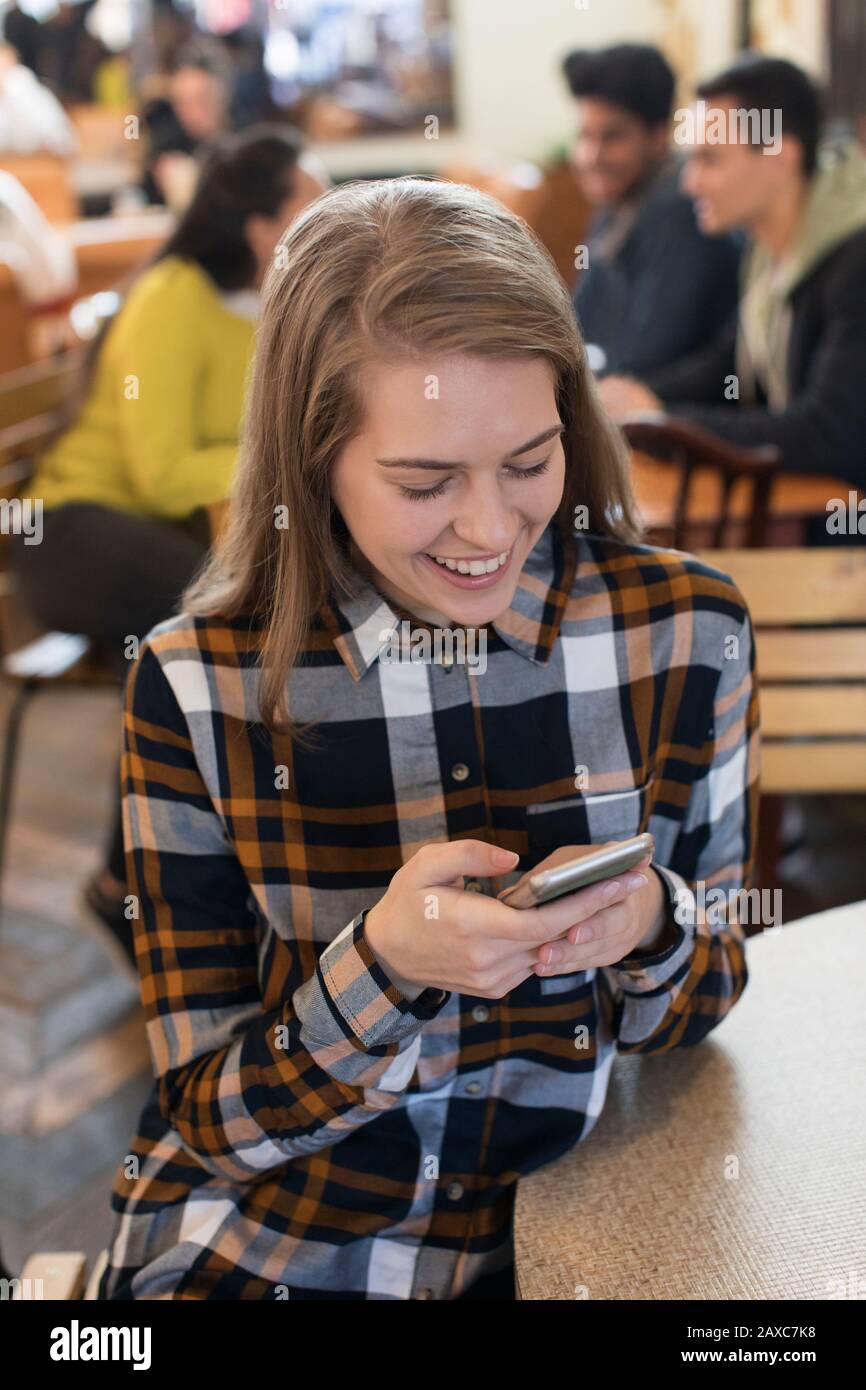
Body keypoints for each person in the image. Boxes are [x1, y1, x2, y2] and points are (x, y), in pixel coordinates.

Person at [95, 176, 759, 1301]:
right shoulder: (193, 683)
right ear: (313, 464)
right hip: (278, 1241)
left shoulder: (685, 631)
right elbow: (209, 1118)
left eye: (528, 461)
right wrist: (383, 968)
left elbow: (706, 993)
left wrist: (647, 922)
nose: (490, 527)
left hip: (577, 1237)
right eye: (423, 480)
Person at [11, 125, 328, 963]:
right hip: (71, 529)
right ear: (263, 229)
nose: (329, 211)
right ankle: (129, 884)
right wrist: (281, 466)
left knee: (243, 616)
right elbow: (158, 474)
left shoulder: (265, 304)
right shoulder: (172, 297)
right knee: (218, 622)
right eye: (313, 199)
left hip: (154, 533)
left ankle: (208, 873)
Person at [598, 55, 866, 493]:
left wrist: (661, 423)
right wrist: (640, 395)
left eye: (709, 160)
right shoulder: (769, 247)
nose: (689, 183)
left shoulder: (855, 261)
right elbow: (728, 364)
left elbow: (829, 435)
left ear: (780, 158)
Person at [562, 43, 739, 379]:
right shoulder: (617, 202)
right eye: (585, 136)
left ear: (659, 136)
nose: (592, 157)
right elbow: (574, 329)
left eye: (612, 138)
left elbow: (642, 363)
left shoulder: (680, 212)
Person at [141, 40, 232, 207]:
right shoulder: (165, 149)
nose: (191, 112)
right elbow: (145, 200)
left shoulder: (243, 144)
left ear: (221, 97)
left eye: (200, 100)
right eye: (182, 103)